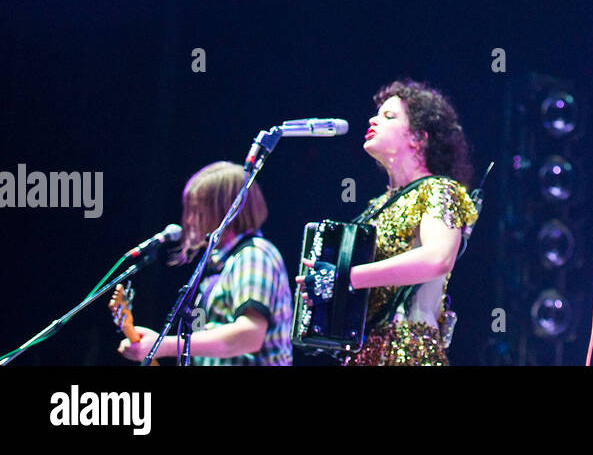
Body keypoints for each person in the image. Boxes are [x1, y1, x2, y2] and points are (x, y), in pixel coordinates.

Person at [303, 79, 477, 366]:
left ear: (418, 139)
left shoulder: (438, 190)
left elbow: (438, 258)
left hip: (409, 353)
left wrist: (346, 277)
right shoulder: (376, 207)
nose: (373, 119)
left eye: (389, 116)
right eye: (377, 114)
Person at [118, 161, 293, 365]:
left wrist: (164, 345)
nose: (190, 221)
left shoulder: (253, 255)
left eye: (196, 210)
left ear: (225, 211)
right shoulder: (220, 264)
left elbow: (250, 335)